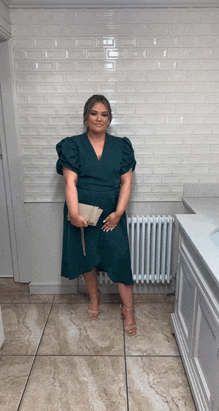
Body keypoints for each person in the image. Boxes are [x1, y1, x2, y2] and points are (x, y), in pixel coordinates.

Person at [56, 95, 137, 335]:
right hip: (81, 212)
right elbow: (70, 183)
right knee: (86, 257)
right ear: (86, 116)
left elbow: (126, 182)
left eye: (104, 114)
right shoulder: (72, 145)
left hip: (112, 213)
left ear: (109, 119)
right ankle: (95, 297)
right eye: (94, 113)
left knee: (120, 259)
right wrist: (73, 213)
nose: (99, 118)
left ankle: (128, 309)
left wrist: (119, 213)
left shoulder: (122, 146)